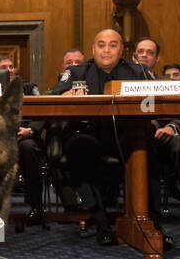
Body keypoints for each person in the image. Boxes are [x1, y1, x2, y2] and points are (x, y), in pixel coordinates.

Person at [48, 29, 159, 245]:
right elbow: (52, 97)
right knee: (78, 145)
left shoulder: (137, 71)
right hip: (89, 135)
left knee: (146, 145)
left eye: (112, 45)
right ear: (93, 49)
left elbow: (157, 100)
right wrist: (65, 95)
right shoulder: (78, 72)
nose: (106, 50)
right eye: (101, 45)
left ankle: (151, 225)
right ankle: (101, 223)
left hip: (126, 134)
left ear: (122, 50)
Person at [0, 55, 46, 225]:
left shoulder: (29, 88)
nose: (10, 70)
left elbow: (44, 110)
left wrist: (30, 130)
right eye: (4, 67)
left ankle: (35, 206)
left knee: (29, 148)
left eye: (12, 66)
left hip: (24, 136)